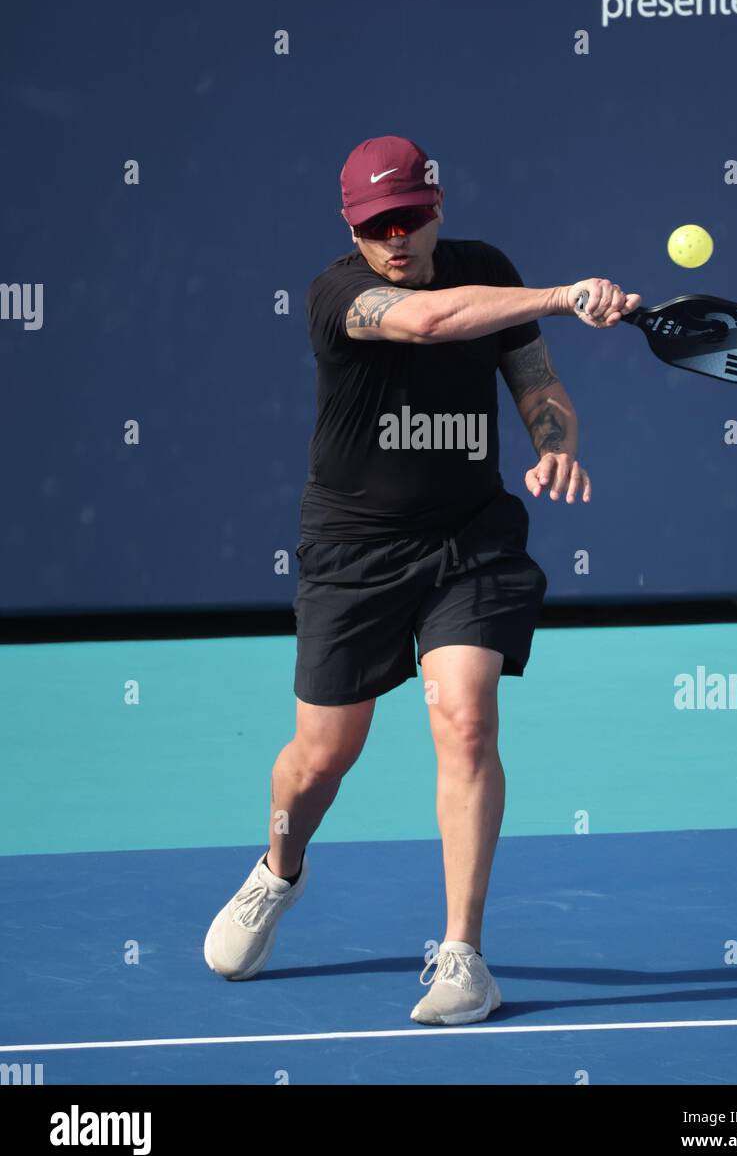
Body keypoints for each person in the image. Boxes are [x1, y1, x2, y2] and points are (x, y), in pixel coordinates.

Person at [204, 135, 639, 1024]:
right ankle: (279, 870)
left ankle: (464, 956)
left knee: (467, 717)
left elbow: (537, 384)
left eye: (408, 218)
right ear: (351, 228)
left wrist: (555, 445)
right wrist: (564, 295)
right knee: (321, 758)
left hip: (467, 534)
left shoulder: (488, 270)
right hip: (354, 547)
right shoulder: (338, 295)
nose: (394, 239)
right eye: (375, 226)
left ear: (438, 207)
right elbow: (433, 321)